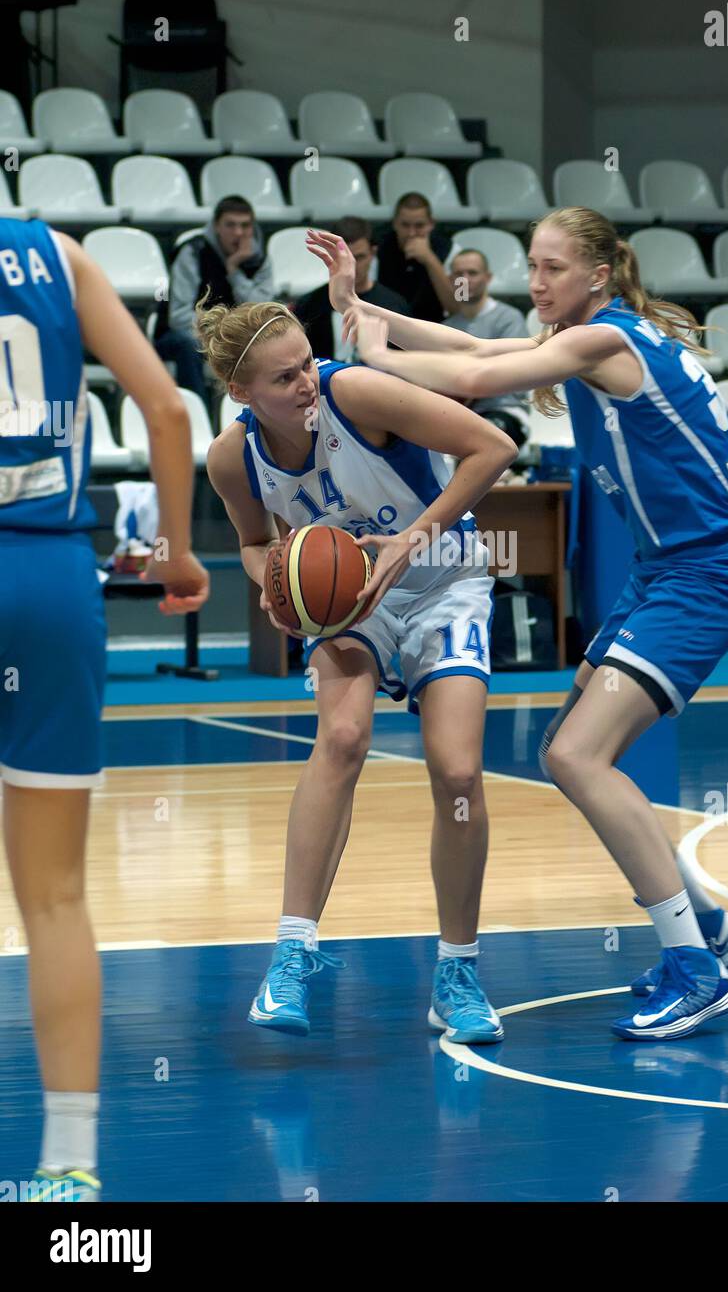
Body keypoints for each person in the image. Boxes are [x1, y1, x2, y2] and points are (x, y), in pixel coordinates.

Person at [307, 211, 728, 1042]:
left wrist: (376, 351)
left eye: (553, 268)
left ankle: (695, 971)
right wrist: (359, 308)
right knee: (571, 746)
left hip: (702, 577)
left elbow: (473, 374)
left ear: (598, 276)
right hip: (662, 572)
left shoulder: (605, 341)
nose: (537, 282)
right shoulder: (596, 337)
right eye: (532, 265)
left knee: (574, 756)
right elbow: (473, 348)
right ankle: (709, 928)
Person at [201, 299, 517, 1043]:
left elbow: (492, 447)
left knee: (458, 772)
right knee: (342, 737)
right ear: (242, 393)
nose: (306, 382)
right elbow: (254, 541)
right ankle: (291, 956)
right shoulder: (230, 457)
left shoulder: (357, 393)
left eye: (307, 363)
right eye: (285, 378)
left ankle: (457, 973)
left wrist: (413, 537)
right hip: (348, 599)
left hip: (443, 576)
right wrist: (275, 585)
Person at [0, 217, 209, 1201]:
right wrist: (176, 552)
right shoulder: (57, 254)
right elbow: (166, 410)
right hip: (49, 578)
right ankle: (68, 1166)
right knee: (55, 897)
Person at [155, 195, 275, 401]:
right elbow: (179, 317)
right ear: (216, 226)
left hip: (232, 337)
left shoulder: (260, 259)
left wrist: (234, 270)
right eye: (230, 225)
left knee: (269, 341)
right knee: (188, 345)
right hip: (184, 335)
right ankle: (196, 413)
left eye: (245, 225)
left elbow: (260, 314)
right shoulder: (193, 252)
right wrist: (221, 333)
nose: (238, 232)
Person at [442, 247, 531, 445]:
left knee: (478, 438)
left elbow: (509, 373)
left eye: (472, 273)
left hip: (504, 410)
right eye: (459, 274)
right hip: (458, 414)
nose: (465, 280)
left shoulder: (509, 318)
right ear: (451, 280)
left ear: (487, 277)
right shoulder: (447, 327)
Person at [291, 215, 410, 360]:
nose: (353, 265)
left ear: (373, 253)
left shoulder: (394, 305)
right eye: (345, 258)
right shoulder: (309, 306)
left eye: (359, 257)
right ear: (332, 255)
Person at [375, 193, 457, 321]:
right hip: (388, 325)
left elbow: (461, 306)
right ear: (395, 223)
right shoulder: (377, 250)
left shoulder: (453, 250)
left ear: (431, 224)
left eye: (419, 226)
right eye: (405, 225)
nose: (411, 233)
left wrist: (430, 260)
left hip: (437, 327)